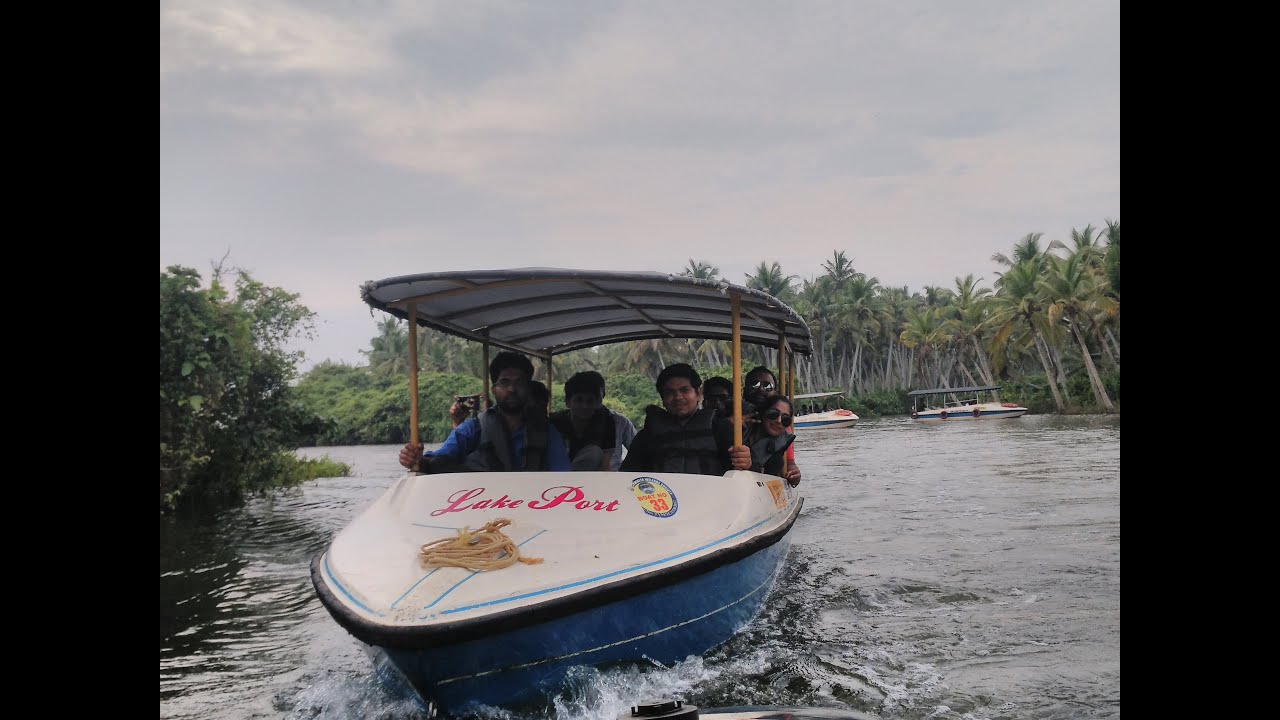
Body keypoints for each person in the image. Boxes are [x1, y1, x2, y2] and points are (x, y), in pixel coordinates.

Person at [398, 351, 572, 472]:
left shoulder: (547, 432)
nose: (512, 389)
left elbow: (562, 473)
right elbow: (438, 459)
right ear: (494, 389)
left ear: (528, 388)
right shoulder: (472, 429)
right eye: (504, 382)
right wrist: (415, 460)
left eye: (519, 383)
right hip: (484, 510)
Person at [619, 363, 751, 474]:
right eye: (670, 393)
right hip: (661, 502)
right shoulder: (647, 435)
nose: (678, 397)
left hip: (712, 500)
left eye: (685, 390)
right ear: (663, 399)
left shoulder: (721, 428)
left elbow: (747, 471)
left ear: (698, 394)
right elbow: (627, 474)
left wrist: (747, 462)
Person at [742, 366, 802, 484]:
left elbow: (790, 465)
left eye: (767, 386)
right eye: (754, 384)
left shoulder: (780, 428)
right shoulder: (731, 420)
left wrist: (794, 474)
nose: (760, 390)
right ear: (744, 390)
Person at [549, 371, 616, 471]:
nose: (584, 406)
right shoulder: (555, 423)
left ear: (598, 403)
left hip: (589, 480)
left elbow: (605, 466)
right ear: (568, 402)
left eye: (590, 400)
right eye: (578, 400)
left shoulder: (607, 422)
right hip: (555, 475)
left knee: (594, 452)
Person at [745, 394, 800, 486]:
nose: (779, 421)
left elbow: (790, 468)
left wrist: (795, 477)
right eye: (773, 414)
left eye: (785, 419)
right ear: (763, 413)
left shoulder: (782, 443)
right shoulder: (742, 434)